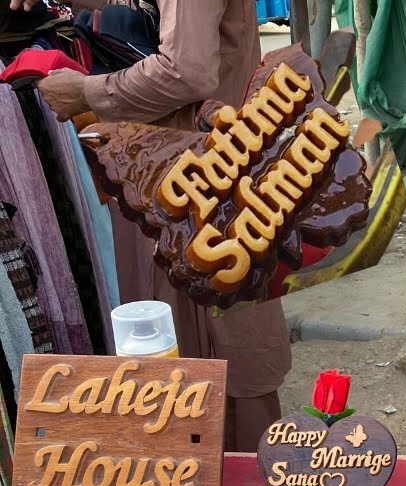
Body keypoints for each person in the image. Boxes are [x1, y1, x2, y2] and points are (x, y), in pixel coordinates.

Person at [30, 0, 292, 451]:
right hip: (184, 176)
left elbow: (187, 72)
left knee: (215, 351)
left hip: (199, 179)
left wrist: (87, 92)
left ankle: (231, 477)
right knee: (184, 348)